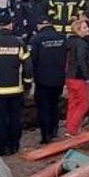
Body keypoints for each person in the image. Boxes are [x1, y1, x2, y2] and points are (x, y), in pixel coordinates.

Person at [0, 15, 33, 155]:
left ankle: (0, 148)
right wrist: (27, 85)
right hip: (16, 89)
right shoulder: (20, 43)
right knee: (15, 118)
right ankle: (14, 146)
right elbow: (28, 67)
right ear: (11, 25)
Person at [30, 16, 66, 144]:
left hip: (42, 79)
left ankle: (46, 135)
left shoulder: (36, 39)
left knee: (43, 107)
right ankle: (54, 130)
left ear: (40, 26)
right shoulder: (62, 37)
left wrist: (30, 78)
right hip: (59, 78)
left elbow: (32, 60)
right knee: (55, 104)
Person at [64, 18, 89, 136]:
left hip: (69, 76)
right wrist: (87, 76)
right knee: (83, 104)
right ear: (78, 30)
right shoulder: (81, 43)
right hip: (78, 77)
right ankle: (73, 129)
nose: (88, 29)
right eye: (85, 27)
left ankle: (69, 127)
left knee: (73, 104)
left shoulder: (69, 42)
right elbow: (81, 60)